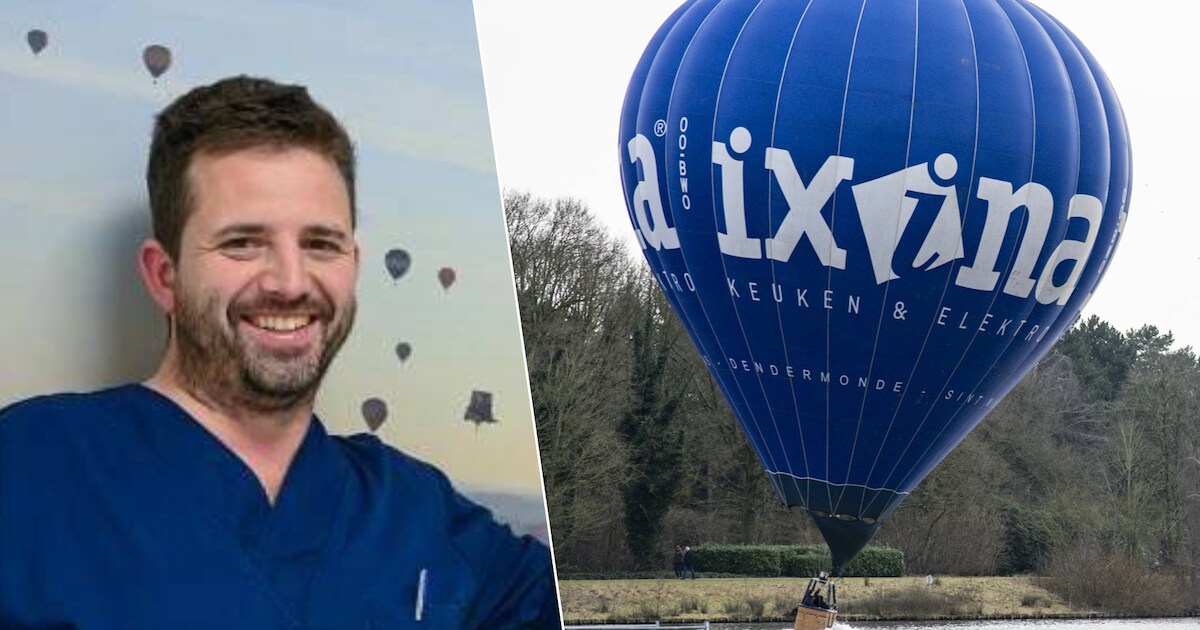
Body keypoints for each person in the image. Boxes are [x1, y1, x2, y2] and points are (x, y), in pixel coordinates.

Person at [0, 76, 560, 629]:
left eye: (321, 244)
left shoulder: (416, 515)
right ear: (163, 275)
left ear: (354, 267)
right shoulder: (29, 469)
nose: (290, 282)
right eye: (242, 243)